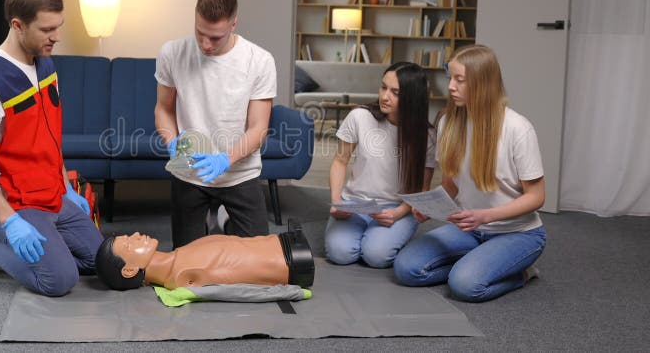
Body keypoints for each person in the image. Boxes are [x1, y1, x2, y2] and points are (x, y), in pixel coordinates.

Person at [0, 0, 104, 297]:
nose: (56, 37)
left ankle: (45, 243)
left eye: (58, 27)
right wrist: (10, 220)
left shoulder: (45, 63)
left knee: (102, 261)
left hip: (52, 194)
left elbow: (48, 138)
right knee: (59, 281)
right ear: (18, 25)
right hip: (14, 203)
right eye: (47, 30)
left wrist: (67, 188)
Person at [393, 44, 546, 302]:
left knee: (465, 286)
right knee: (406, 269)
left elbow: (536, 197)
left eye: (459, 80)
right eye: (450, 77)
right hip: (469, 229)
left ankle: (522, 272)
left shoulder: (518, 129)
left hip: (518, 233)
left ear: (482, 83)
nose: (451, 86)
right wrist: (429, 206)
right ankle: (478, 262)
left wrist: (485, 215)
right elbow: (452, 185)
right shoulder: (448, 122)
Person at [155, 0, 277, 248]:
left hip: (239, 172)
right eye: (200, 33)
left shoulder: (259, 61)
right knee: (187, 266)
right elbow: (163, 108)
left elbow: (258, 128)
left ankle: (225, 222)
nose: (206, 44)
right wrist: (171, 142)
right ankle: (212, 224)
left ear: (234, 24)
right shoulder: (172, 53)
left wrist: (225, 159)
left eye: (216, 37)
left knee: (256, 262)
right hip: (190, 173)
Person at [325, 62, 436, 268]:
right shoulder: (360, 116)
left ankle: (383, 236)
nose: (385, 96)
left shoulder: (427, 135)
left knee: (376, 256)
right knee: (340, 253)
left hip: (396, 207)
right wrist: (336, 201)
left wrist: (400, 213)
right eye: (383, 87)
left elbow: (422, 188)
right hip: (355, 204)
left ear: (413, 97)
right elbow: (340, 161)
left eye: (396, 92)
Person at [94, 225, 314, 291]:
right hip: (291, 260)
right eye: (128, 243)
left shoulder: (180, 257)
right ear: (130, 270)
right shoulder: (184, 275)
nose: (135, 235)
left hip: (284, 245)